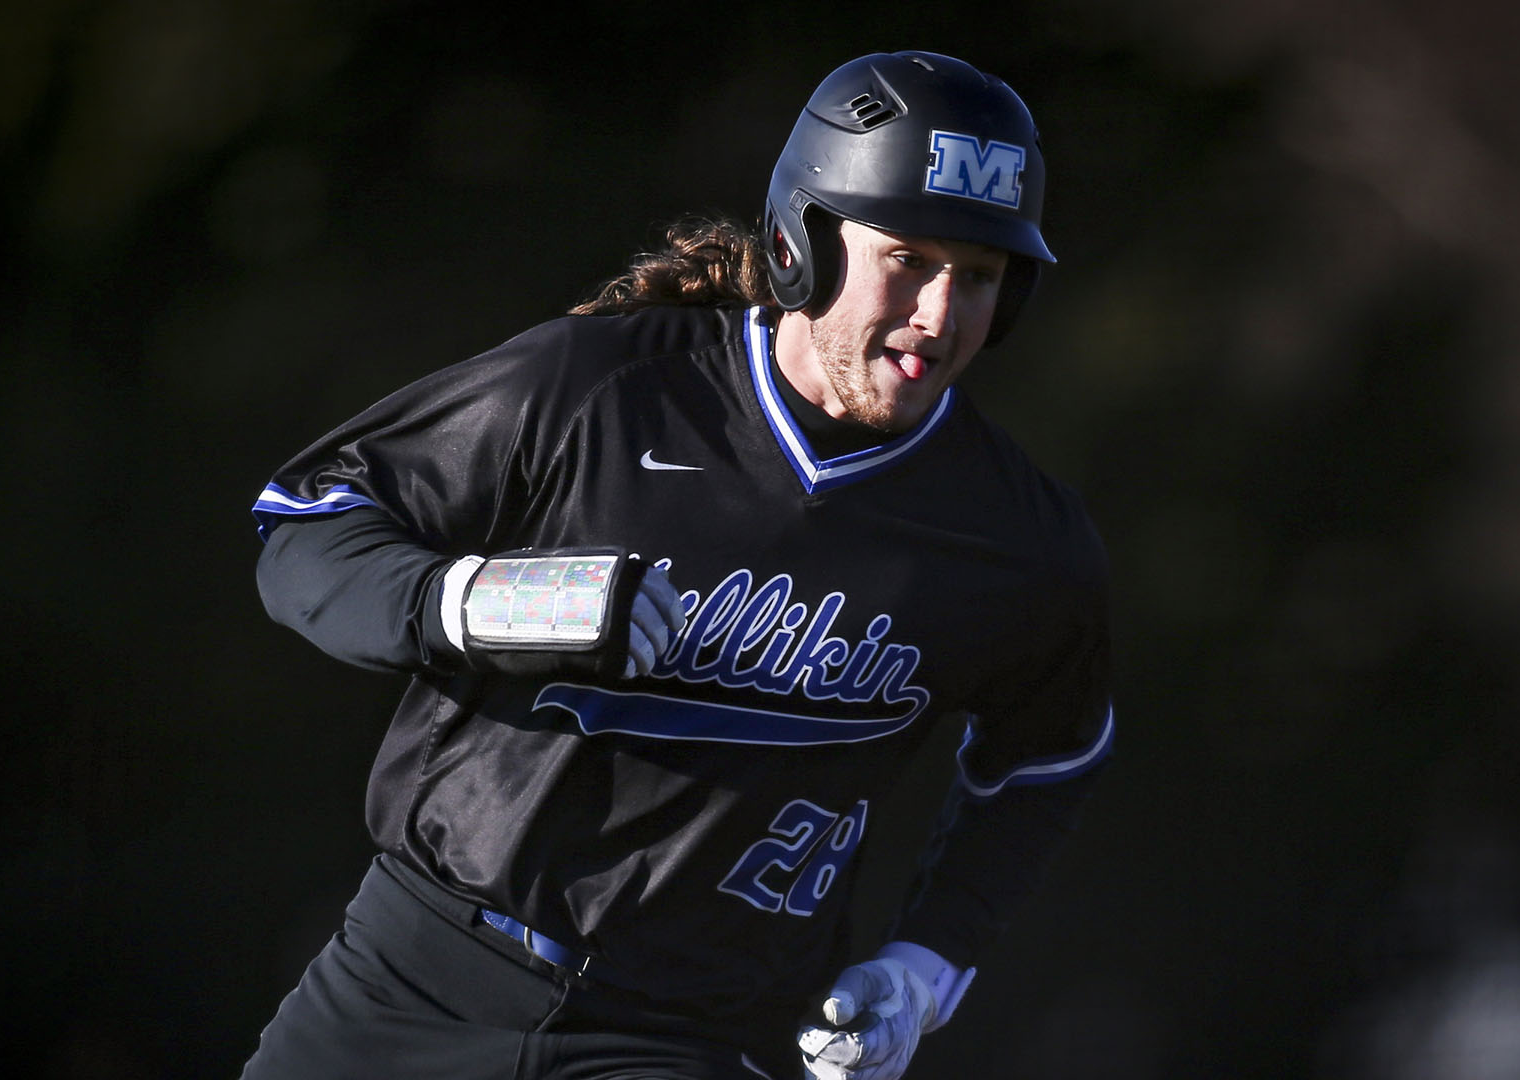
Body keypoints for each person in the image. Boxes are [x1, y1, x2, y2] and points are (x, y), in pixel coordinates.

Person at [241, 50, 1113, 1080]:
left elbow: (1047, 763)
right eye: (910, 258)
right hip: (411, 985)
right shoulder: (600, 390)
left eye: (980, 276)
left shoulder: (1019, 538)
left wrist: (929, 963)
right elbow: (307, 526)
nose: (939, 313)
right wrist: (461, 601)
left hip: (691, 1039)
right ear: (803, 242)